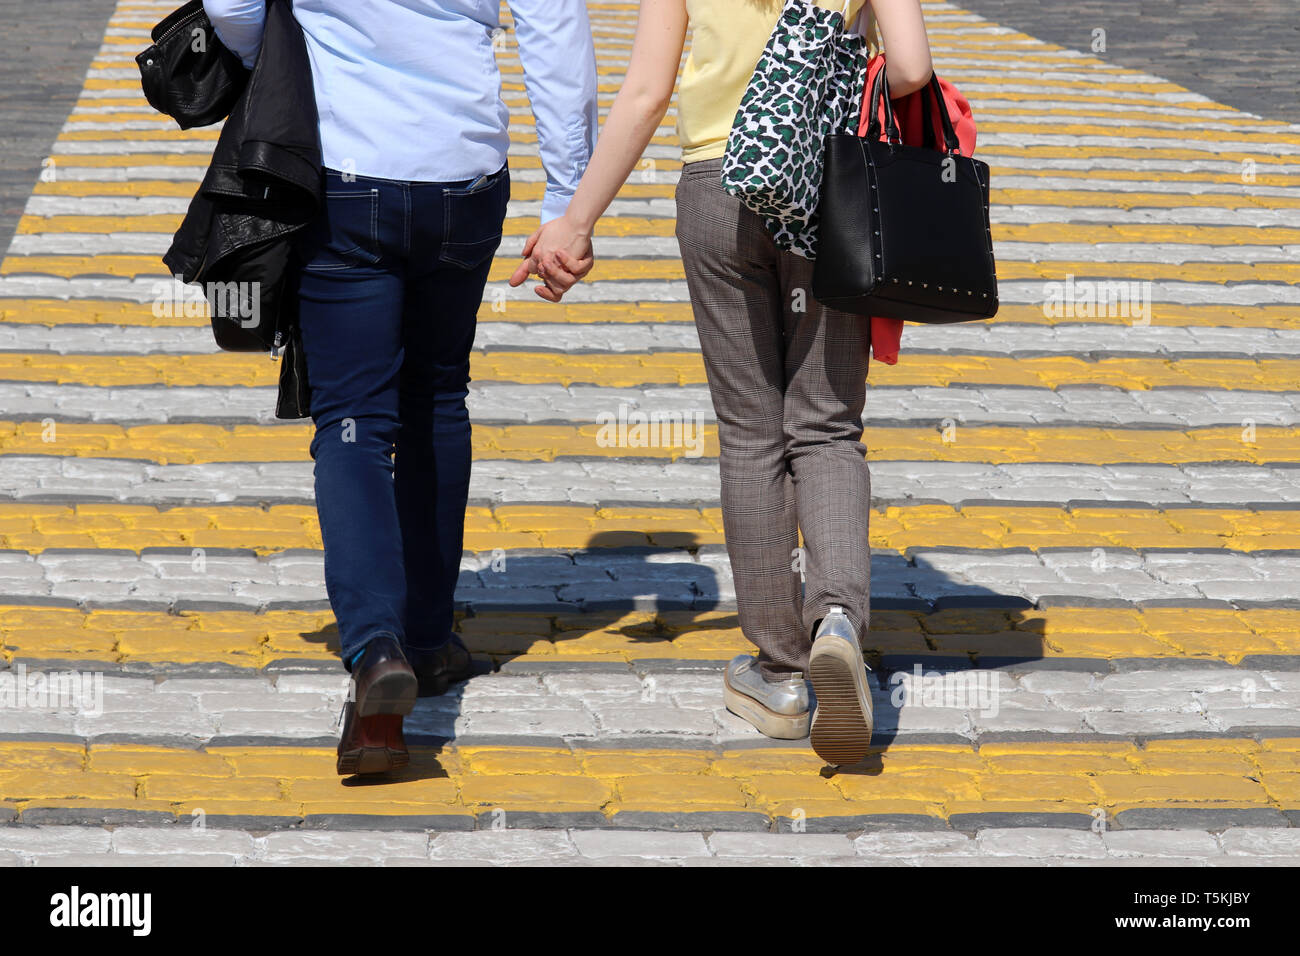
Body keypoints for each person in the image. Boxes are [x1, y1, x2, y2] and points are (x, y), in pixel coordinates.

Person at [510, 0, 933, 766]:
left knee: (750, 431)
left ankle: (780, 676)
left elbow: (645, 92)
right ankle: (838, 620)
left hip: (718, 185)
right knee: (828, 424)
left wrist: (576, 221)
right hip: (828, 183)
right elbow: (909, 70)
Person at [203, 0, 598, 775]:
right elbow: (556, 34)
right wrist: (566, 199)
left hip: (344, 171)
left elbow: (231, 4)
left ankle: (377, 646)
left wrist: (276, 59)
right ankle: (427, 635)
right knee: (438, 396)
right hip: (464, 174)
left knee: (352, 417)